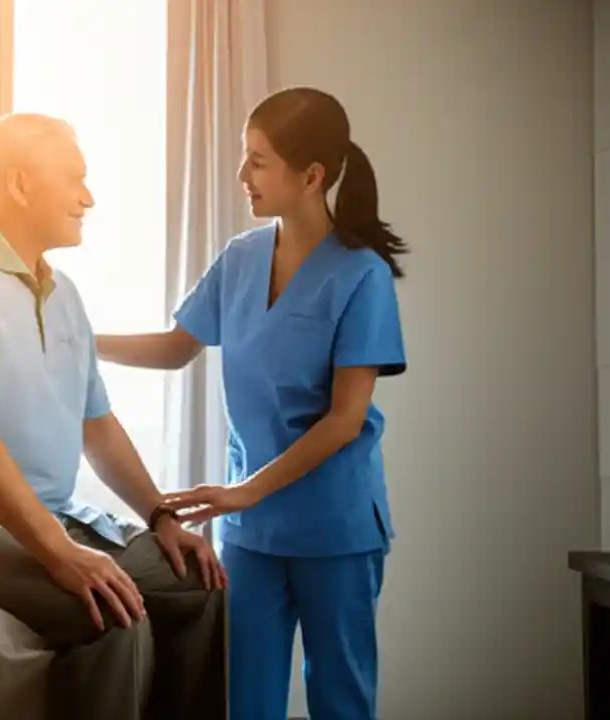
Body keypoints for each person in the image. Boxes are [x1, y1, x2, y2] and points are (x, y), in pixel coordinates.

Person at [0, 112, 228, 720]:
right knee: (113, 611)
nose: (88, 198)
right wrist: (59, 552)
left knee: (199, 587)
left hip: (49, 519)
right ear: (19, 184)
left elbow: (99, 426)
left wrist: (160, 515)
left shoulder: (64, 294)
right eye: (74, 178)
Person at [96, 87, 408, 720]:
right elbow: (177, 347)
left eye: (258, 161)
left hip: (334, 525)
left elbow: (345, 420)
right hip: (251, 533)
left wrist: (246, 492)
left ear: (312, 175)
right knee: (245, 702)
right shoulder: (240, 259)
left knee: (340, 702)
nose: (242, 175)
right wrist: (79, 338)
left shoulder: (361, 275)